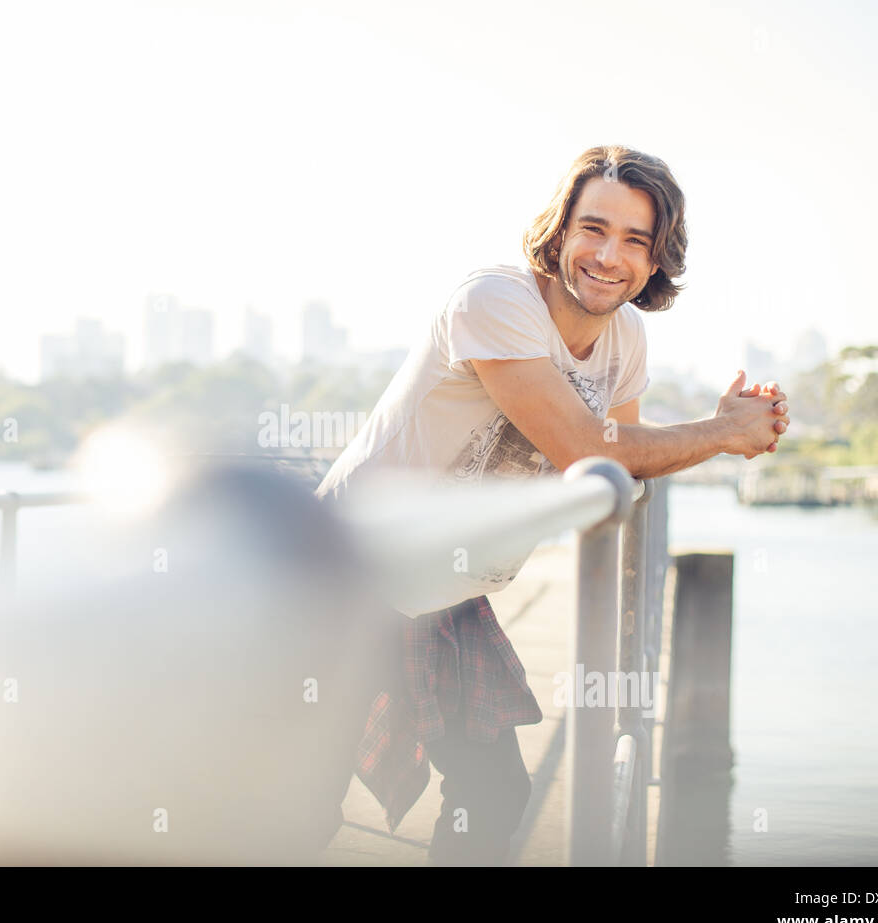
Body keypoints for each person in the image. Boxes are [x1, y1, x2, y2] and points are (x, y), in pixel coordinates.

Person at [314, 144, 790, 866]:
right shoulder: (495, 301)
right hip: (345, 578)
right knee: (298, 802)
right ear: (559, 230)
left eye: (636, 240)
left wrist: (709, 428)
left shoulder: (625, 338)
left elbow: (625, 455)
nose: (608, 255)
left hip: (444, 595)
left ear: (659, 260)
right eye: (593, 228)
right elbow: (584, 448)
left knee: (494, 792)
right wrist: (725, 433)